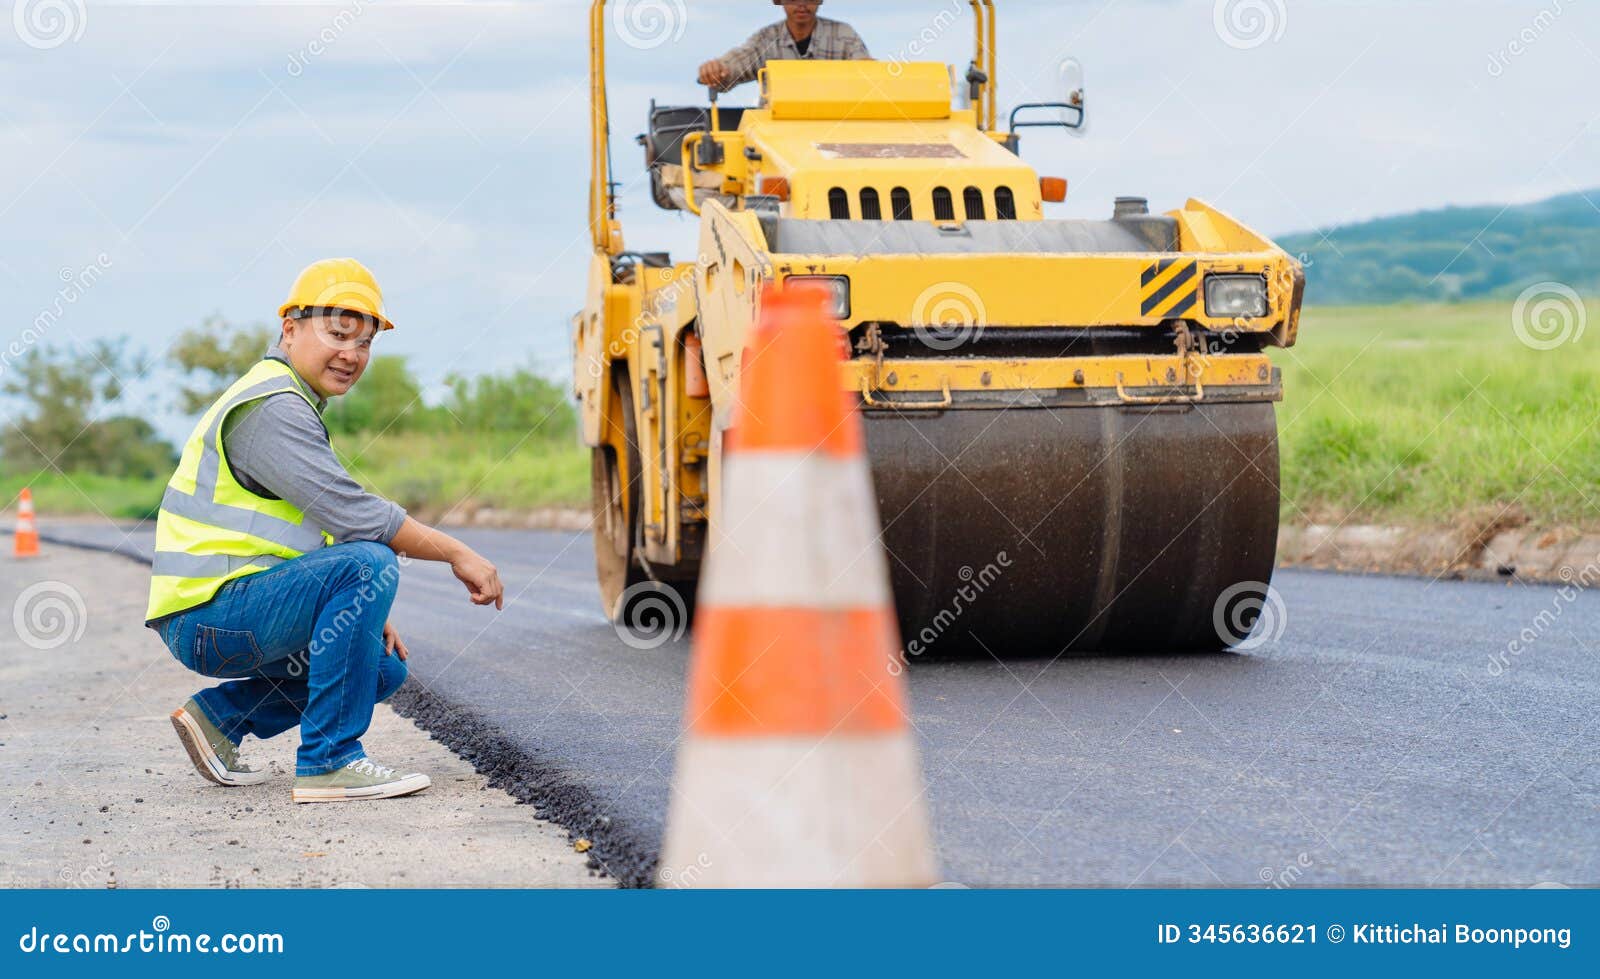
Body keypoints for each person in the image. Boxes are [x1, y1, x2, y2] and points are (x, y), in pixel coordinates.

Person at [145, 258, 505, 804]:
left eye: (364, 343)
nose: (352, 355)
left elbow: (316, 532)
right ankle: (330, 762)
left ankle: (220, 719)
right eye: (338, 334)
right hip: (210, 617)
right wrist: (458, 552)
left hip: (231, 612)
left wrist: (364, 612)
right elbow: (357, 518)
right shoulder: (271, 407)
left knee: (379, 669)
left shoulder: (293, 402)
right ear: (289, 329)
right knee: (370, 559)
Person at [697, 0, 870, 91]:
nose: (801, 4)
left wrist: (868, 68)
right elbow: (733, 66)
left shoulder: (843, 35)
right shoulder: (765, 39)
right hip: (774, 131)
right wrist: (715, 70)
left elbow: (865, 71)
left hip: (831, 127)